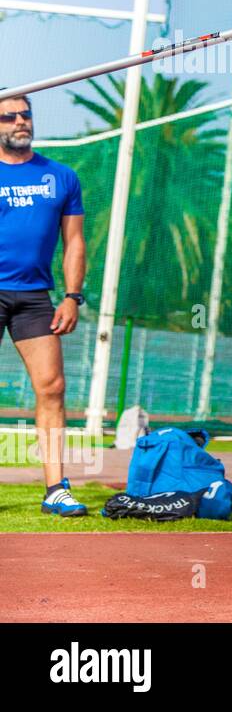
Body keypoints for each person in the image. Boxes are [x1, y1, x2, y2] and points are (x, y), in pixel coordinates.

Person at [0, 93, 88, 516]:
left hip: (35, 296)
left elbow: (74, 242)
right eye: (10, 116)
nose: (21, 122)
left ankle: (56, 487)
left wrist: (72, 296)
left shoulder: (61, 177)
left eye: (25, 114)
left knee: (52, 388)